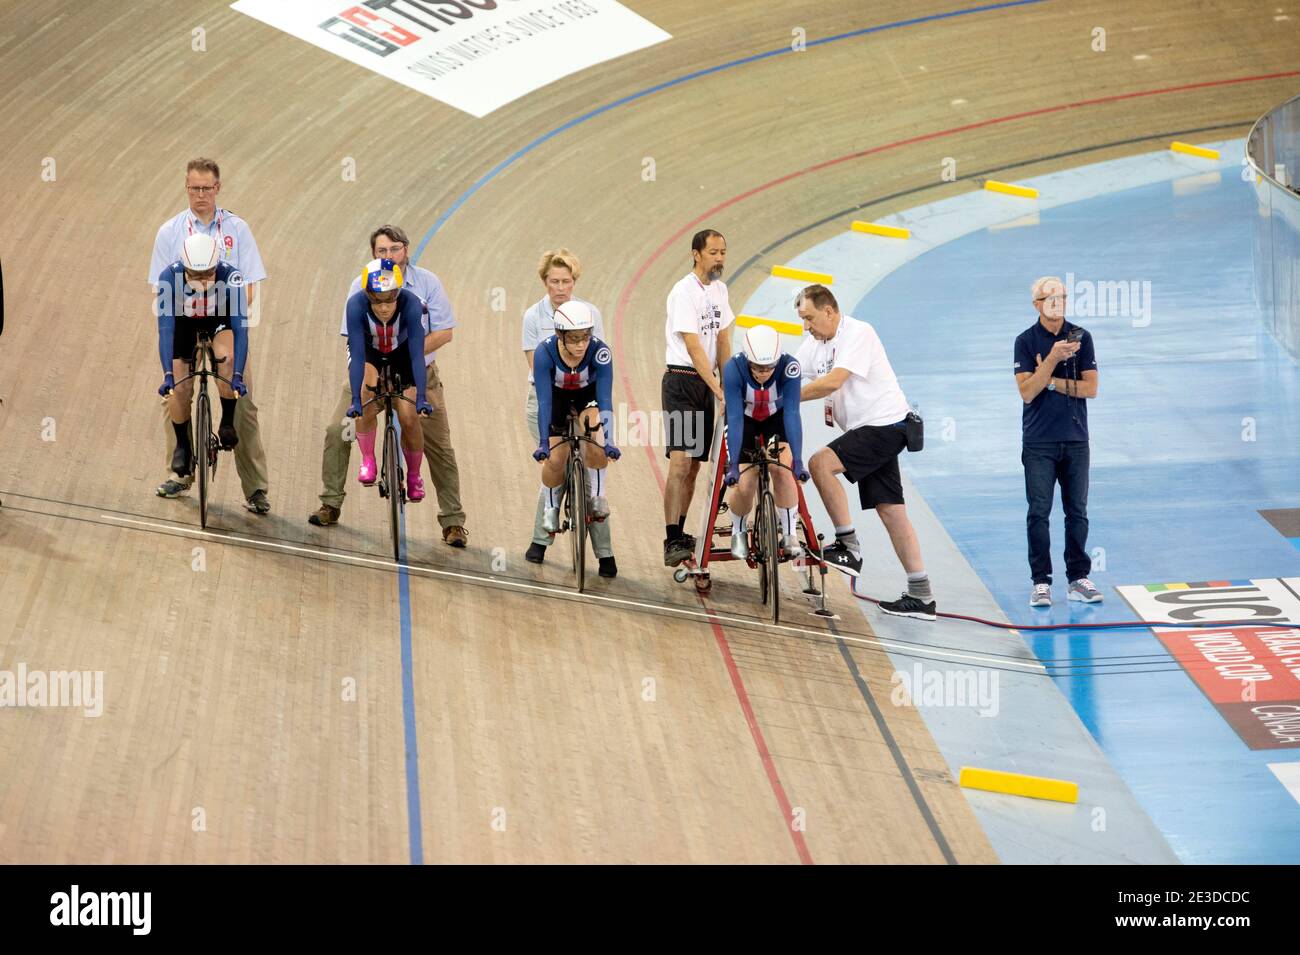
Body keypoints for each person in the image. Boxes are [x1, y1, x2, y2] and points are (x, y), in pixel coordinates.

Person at [309, 225, 468, 548]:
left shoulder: (427, 283)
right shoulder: (360, 285)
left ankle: (453, 522)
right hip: (369, 368)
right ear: (373, 255)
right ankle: (331, 503)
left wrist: (400, 352)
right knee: (336, 429)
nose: (389, 256)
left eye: (395, 249)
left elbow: (445, 332)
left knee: (438, 443)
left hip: (418, 370)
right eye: (382, 251)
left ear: (406, 250)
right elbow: (352, 340)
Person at [795, 285, 936, 621]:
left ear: (829, 311)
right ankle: (922, 595)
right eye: (801, 320)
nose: (806, 326)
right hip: (871, 430)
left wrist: (786, 399)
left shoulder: (859, 333)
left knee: (820, 464)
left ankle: (847, 547)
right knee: (892, 511)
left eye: (810, 318)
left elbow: (833, 382)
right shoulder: (816, 343)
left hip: (885, 427)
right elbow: (790, 370)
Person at [148, 157, 270, 513]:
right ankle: (180, 470)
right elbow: (162, 292)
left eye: (207, 188)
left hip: (224, 318)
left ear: (218, 188)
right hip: (184, 317)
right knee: (175, 392)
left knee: (241, 397)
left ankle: (255, 488)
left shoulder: (237, 229)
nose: (200, 194)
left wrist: (222, 306)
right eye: (194, 187)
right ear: (186, 187)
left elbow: (247, 288)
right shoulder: (169, 231)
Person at [520, 249, 614, 571]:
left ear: (574, 282)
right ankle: (541, 539)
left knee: (591, 468)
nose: (560, 288)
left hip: (583, 392)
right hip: (546, 396)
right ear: (544, 282)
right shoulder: (534, 316)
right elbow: (537, 368)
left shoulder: (589, 314)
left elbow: (596, 363)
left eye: (566, 281)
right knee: (557, 463)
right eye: (553, 281)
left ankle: (604, 553)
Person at [1014, 276, 1102, 606]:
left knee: (1077, 511)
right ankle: (1041, 581)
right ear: (1037, 304)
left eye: (1062, 297)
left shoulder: (1082, 338)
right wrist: (1052, 359)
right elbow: (1026, 392)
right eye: (1050, 297)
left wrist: (1049, 380)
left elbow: (1091, 389)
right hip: (1039, 442)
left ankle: (1078, 577)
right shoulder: (1025, 341)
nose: (1057, 302)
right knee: (1038, 512)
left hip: (1076, 440)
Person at [531, 300, 620, 579]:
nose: (581, 344)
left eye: (585, 337)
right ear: (560, 335)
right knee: (557, 458)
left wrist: (611, 440)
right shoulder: (545, 352)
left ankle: (597, 497)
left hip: (588, 396)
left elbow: (605, 399)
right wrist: (544, 443)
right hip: (556, 398)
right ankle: (551, 507)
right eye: (574, 338)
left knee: (594, 439)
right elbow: (544, 401)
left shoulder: (600, 352)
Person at [661, 229, 734, 567]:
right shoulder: (682, 292)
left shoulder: (720, 291)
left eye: (723, 252)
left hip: (705, 385)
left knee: (693, 466)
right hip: (683, 381)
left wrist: (729, 383)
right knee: (679, 462)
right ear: (696, 254)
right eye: (713, 252)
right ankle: (671, 538)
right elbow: (693, 347)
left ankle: (682, 531)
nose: (719, 258)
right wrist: (719, 389)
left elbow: (722, 343)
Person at [155, 234, 249, 481]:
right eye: (195, 275)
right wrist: (167, 374)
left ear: (217, 265)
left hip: (220, 319)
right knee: (179, 385)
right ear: (183, 267)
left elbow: (241, 329)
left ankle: (227, 421)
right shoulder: (168, 277)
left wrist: (237, 375)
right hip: (184, 323)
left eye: (208, 273)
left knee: (226, 360)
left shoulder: (232, 276)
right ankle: (183, 445)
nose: (202, 281)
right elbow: (165, 330)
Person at [343, 259, 432, 500]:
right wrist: (355, 401)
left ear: (399, 292)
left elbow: (416, 355)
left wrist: (422, 397)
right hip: (369, 351)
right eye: (377, 299)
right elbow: (358, 355)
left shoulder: (412, 305)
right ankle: (368, 460)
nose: (383, 307)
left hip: (402, 353)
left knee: (408, 414)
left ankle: (414, 475)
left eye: (390, 298)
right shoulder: (355, 305)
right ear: (367, 294)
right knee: (365, 393)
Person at [722, 325, 810, 560]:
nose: (763, 373)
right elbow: (734, 417)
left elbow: (792, 413)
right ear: (748, 360)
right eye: (758, 368)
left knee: (782, 470)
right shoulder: (733, 368)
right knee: (746, 482)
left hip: (776, 419)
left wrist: (798, 462)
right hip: (744, 419)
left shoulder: (790, 367)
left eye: (769, 367)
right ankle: (738, 530)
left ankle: (790, 534)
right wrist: (732, 467)